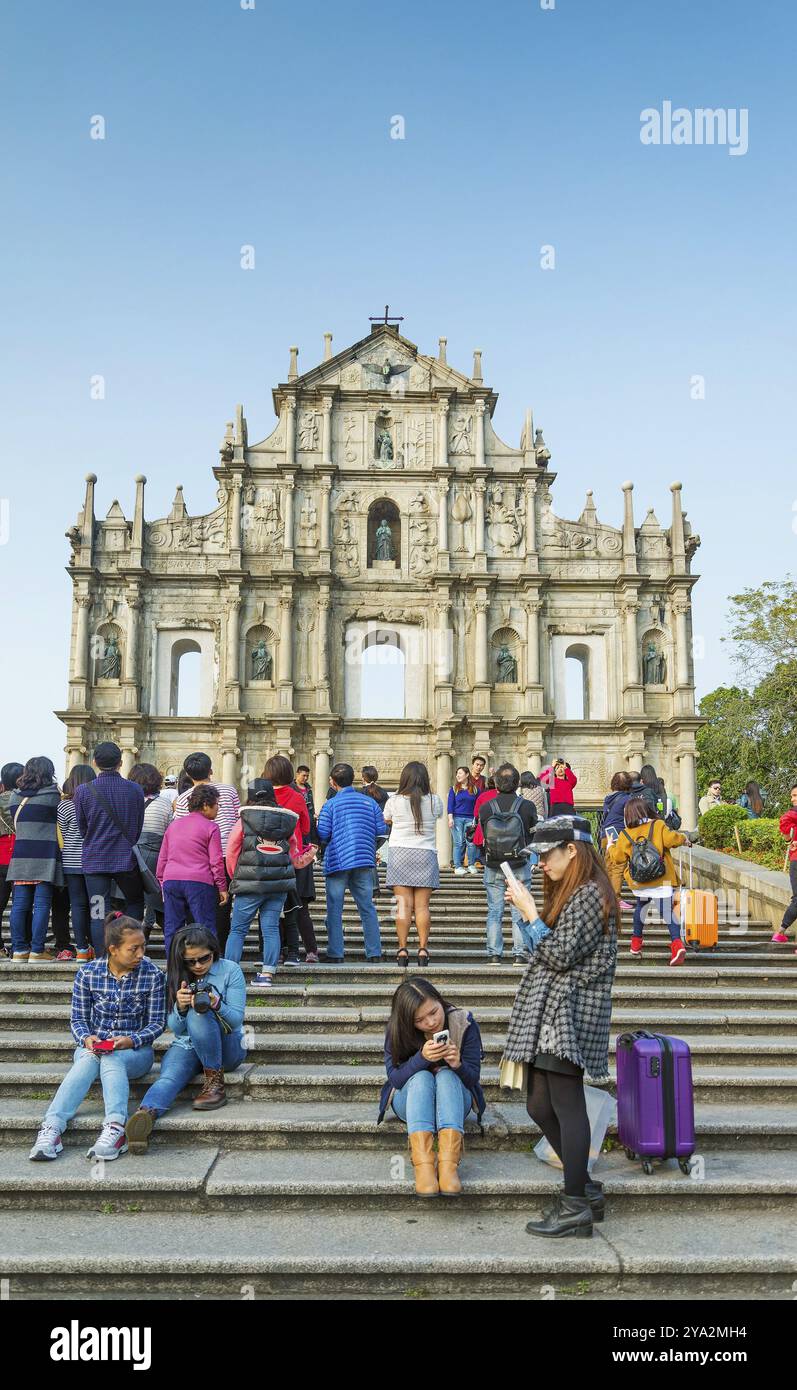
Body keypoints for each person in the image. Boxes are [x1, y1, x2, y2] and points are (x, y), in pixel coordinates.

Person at [502, 816, 618, 1238]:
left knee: (566, 1106)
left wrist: (531, 914)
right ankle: (584, 1189)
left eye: (547, 854)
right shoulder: (576, 894)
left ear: (572, 850)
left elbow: (558, 954)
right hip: (551, 1011)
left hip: (568, 1014)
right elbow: (553, 949)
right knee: (539, 1105)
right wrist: (531, 914)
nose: (540, 864)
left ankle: (575, 1206)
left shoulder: (590, 895)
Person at [29, 912, 165, 1161]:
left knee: (112, 1058)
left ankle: (115, 1127)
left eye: (142, 947)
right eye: (133, 949)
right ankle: (52, 1128)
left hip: (135, 1052)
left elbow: (157, 1024)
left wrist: (131, 1040)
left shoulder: (153, 975)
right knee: (91, 1057)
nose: (140, 954)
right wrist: (86, 1038)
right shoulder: (88, 973)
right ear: (113, 949)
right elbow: (78, 1019)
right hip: (94, 1046)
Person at [125, 925, 247, 1149]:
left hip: (227, 1046)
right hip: (188, 1044)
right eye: (191, 961)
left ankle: (214, 1085)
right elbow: (175, 1028)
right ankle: (145, 1115)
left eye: (204, 958)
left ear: (214, 951)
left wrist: (215, 1003)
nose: (198, 965)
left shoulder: (230, 970)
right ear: (182, 960)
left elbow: (237, 1020)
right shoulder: (174, 977)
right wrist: (180, 1008)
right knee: (169, 1077)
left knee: (200, 1014)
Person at [377, 978, 485, 1197]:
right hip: (410, 1100)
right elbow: (395, 1079)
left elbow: (473, 1078)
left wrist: (457, 1065)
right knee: (422, 1077)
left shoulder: (463, 1022)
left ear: (440, 1000)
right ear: (408, 1021)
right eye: (420, 1020)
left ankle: (448, 1167)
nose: (431, 1022)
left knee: (445, 1075)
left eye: (434, 1012)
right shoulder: (397, 1029)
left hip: (455, 1100)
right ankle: (424, 1167)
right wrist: (421, 1059)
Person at [225, 779, 299, 987]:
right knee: (271, 928)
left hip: (250, 882)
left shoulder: (245, 818)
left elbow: (232, 848)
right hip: (277, 885)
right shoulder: (287, 820)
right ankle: (267, 974)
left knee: (238, 929)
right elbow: (293, 851)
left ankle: (231, 973)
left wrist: (235, 876)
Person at [73, 741, 145, 954]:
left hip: (95, 860)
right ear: (120, 763)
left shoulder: (83, 791)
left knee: (98, 912)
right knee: (134, 901)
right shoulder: (134, 789)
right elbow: (138, 825)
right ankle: (131, 949)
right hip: (126, 859)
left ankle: (102, 958)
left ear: (94, 762)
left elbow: (82, 827)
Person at [316, 762, 386, 963]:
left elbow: (323, 833)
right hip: (364, 860)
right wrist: (370, 847)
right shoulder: (369, 803)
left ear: (332, 782)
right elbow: (382, 830)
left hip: (338, 861)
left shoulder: (330, 804)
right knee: (367, 908)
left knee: (334, 909)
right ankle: (374, 953)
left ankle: (336, 953)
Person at [606, 796, 690, 965]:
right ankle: (677, 944)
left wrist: (610, 846)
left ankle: (636, 943)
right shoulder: (658, 826)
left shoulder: (625, 833)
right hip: (661, 879)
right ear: (646, 809)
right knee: (667, 912)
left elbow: (618, 858)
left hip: (640, 882)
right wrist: (684, 839)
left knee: (641, 909)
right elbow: (672, 839)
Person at [172, 753, 241, 950]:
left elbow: (181, 829)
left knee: (198, 908)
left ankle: (200, 949)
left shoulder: (184, 798)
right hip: (227, 857)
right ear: (211, 770)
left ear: (187, 774)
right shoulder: (229, 791)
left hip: (198, 861)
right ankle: (220, 949)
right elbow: (238, 822)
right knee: (223, 907)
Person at [473, 763, 538, 964]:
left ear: (496, 783)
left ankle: (494, 952)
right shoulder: (527, 806)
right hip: (519, 863)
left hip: (494, 865)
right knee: (520, 910)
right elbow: (533, 835)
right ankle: (519, 953)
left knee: (494, 910)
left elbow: (481, 834)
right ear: (517, 783)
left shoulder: (486, 808)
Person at [383, 761, 444, 968]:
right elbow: (438, 817)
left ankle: (402, 949)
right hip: (426, 854)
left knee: (402, 906)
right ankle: (423, 948)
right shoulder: (435, 801)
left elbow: (387, 820)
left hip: (400, 853)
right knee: (422, 907)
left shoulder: (394, 801)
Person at [156, 784, 228, 955]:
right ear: (205, 805)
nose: (218, 808)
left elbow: (163, 858)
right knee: (205, 927)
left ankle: (174, 969)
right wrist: (222, 887)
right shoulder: (211, 827)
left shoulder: (174, 825)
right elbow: (216, 861)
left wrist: (162, 881)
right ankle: (208, 967)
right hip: (199, 881)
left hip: (171, 880)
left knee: (173, 928)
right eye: (217, 804)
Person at [7, 756, 64, 963]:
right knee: (41, 905)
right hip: (45, 855)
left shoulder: (14, 797)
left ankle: (19, 949)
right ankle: (37, 950)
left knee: (19, 905)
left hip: (21, 854)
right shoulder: (52, 796)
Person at [261, 755, 313, 967]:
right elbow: (307, 828)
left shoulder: (261, 796)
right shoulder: (297, 797)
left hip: (265, 856)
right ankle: (292, 952)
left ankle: (272, 952)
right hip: (291, 858)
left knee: (267, 908)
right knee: (291, 907)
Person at [128, 763, 172, 941]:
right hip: (156, 855)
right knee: (155, 896)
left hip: (131, 854)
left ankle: (135, 937)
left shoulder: (128, 799)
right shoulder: (165, 803)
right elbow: (169, 830)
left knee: (132, 901)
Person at [57, 764, 96, 963]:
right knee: (96, 904)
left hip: (71, 861)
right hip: (93, 860)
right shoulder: (94, 801)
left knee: (78, 905)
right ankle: (97, 946)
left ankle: (81, 949)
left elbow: (61, 833)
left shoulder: (63, 805)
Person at [0, 761, 24, 955]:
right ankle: (21, 945)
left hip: (0, 855)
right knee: (20, 905)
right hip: (19, 855)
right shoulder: (23, 800)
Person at [360, 764, 390, 898]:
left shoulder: (362, 793)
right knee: (370, 857)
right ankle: (372, 886)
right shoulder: (383, 792)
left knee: (369, 859)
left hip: (368, 830)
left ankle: (373, 887)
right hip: (383, 831)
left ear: (363, 777)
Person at [773, 784, 797, 945]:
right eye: (792, 796)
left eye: (795, 795)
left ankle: (780, 931)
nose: (792, 799)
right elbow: (784, 821)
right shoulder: (794, 813)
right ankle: (780, 930)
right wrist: (790, 838)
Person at [447, 766, 480, 875]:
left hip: (471, 819)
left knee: (470, 843)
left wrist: (477, 819)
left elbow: (478, 805)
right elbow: (450, 805)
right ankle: (458, 866)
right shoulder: (454, 789)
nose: (458, 776)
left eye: (460, 773)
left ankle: (471, 864)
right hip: (457, 818)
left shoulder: (475, 789)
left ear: (467, 775)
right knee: (459, 843)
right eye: (457, 774)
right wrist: (450, 818)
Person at [598, 771, 633, 850]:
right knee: (619, 861)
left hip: (605, 835)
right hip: (619, 835)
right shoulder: (627, 799)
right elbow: (629, 820)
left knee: (608, 861)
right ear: (629, 783)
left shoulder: (608, 799)